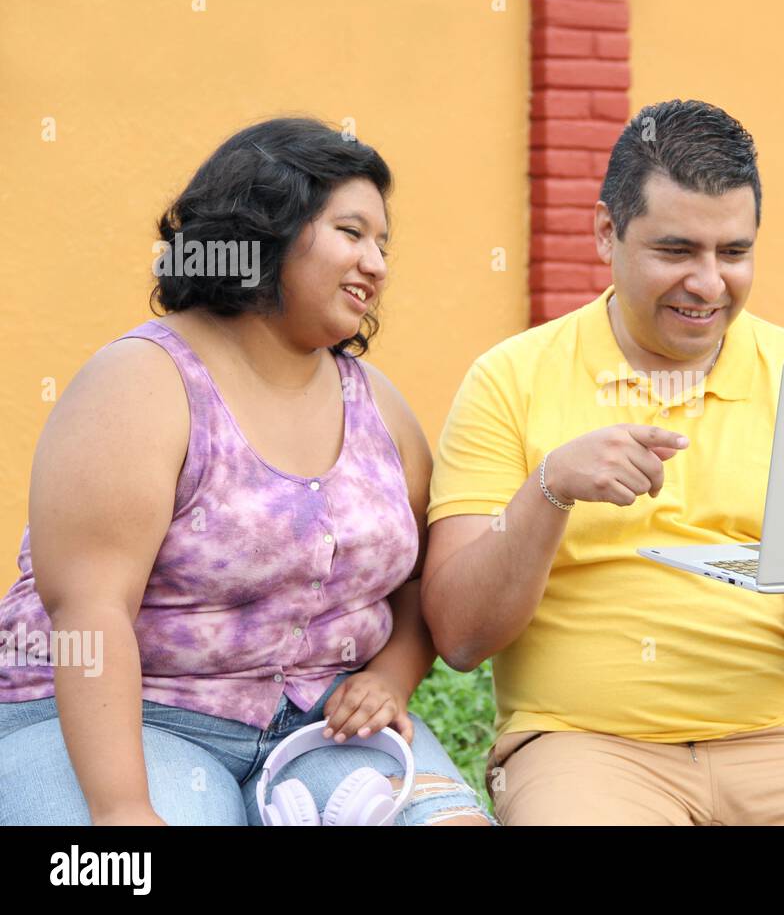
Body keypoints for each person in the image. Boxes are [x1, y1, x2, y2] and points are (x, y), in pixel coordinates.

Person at [421, 99, 784, 825]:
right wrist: (550, 490)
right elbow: (460, 636)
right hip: (586, 748)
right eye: (676, 251)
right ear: (607, 231)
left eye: (733, 253)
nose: (708, 284)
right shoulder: (510, 379)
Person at [0, 117, 491, 826]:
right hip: (125, 724)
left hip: (322, 730)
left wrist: (389, 677)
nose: (378, 264)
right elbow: (90, 609)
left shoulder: (377, 403)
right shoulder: (142, 382)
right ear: (265, 232)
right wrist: (122, 810)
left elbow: (419, 584)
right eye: (352, 233)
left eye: (383, 244)